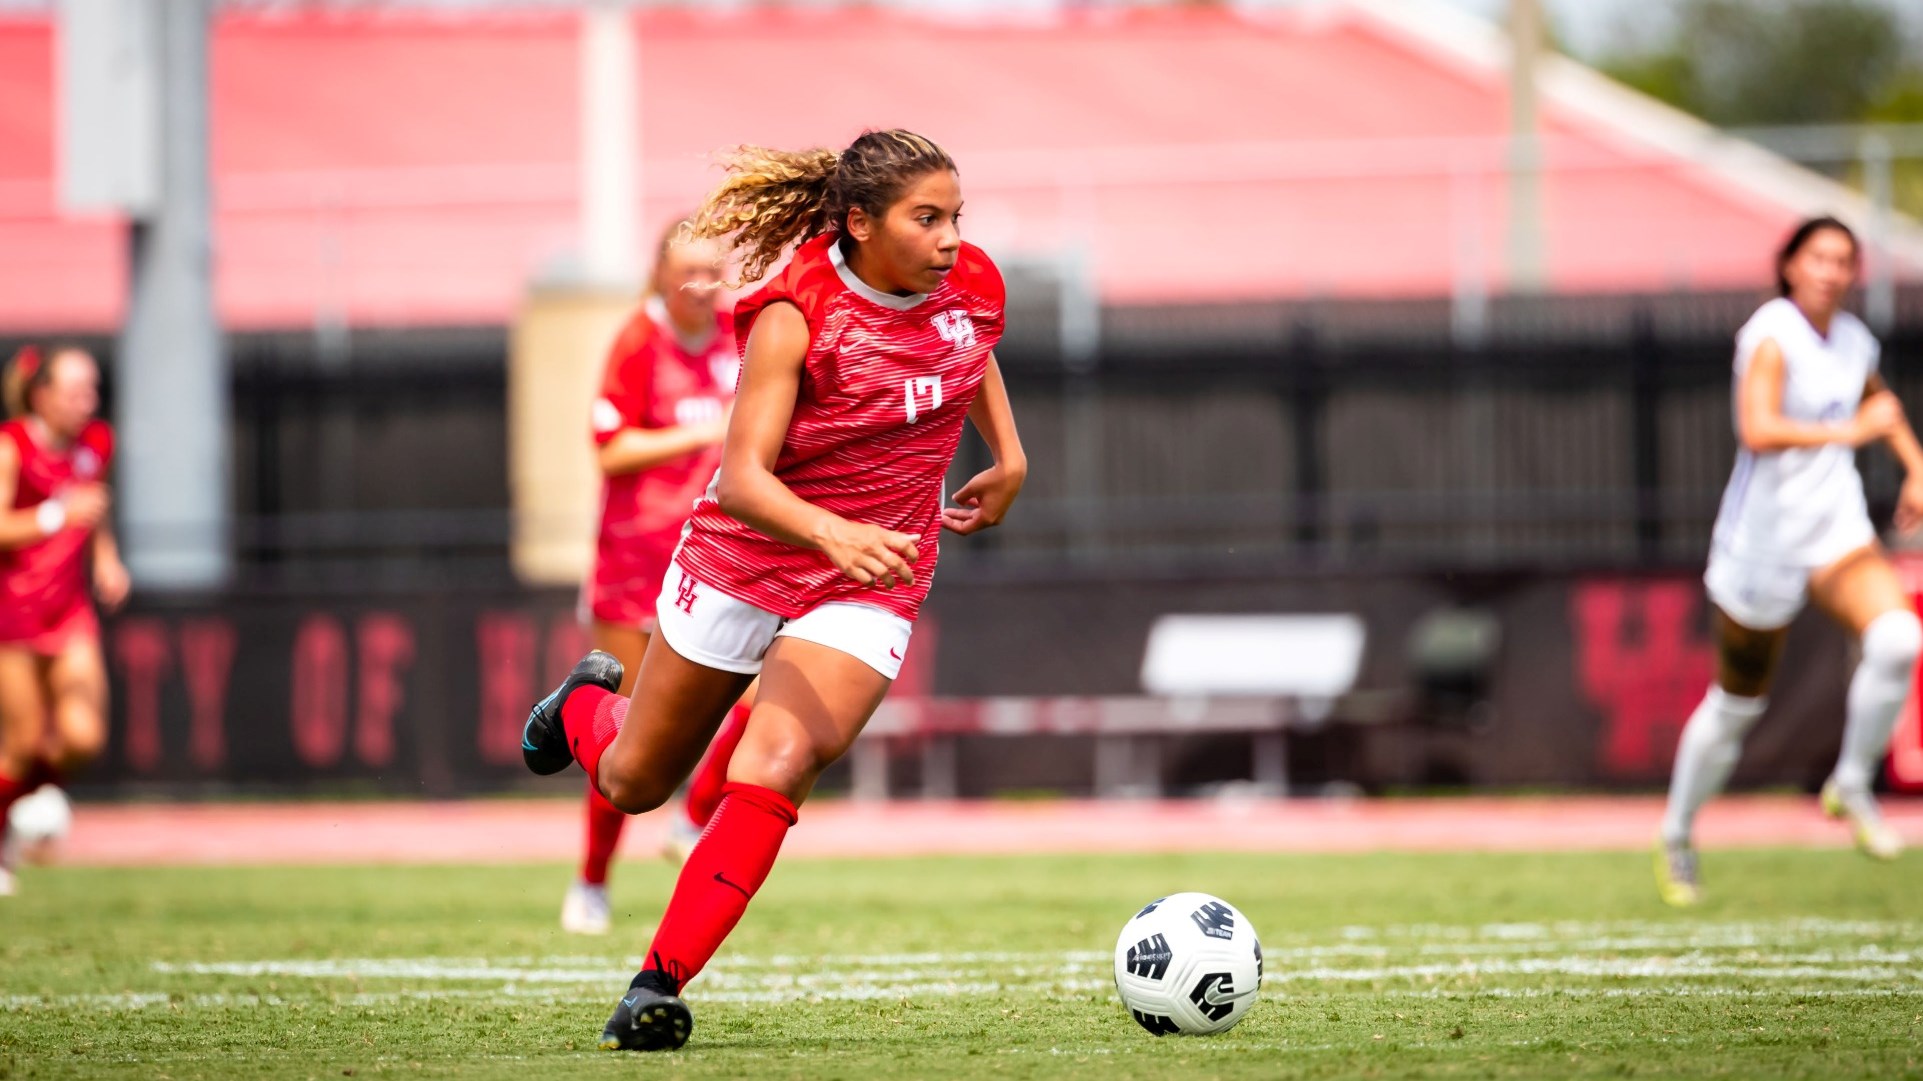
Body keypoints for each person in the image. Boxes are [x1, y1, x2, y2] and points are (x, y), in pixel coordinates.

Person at [520, 128, 1025, 1050]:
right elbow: (745, 476)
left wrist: (1010, 454)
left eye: (957, 216)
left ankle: (654, 985)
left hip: (871, 577)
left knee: (779, 760)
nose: (952, 238)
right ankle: (584, 709)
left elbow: (970, 345)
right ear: (860, 223)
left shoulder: (973, 279)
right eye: (928, 219)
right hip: (746, 554)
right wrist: (834, 530)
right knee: (635, 781)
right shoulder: (799, 309)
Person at [1655, 216, 1922, 907]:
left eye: (1843, 260)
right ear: (1790, 265)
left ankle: (1851, 783)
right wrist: (1848, 431)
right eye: (1819, 258)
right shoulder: (1770, 333)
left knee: (1897, 639)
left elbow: (1881, 408)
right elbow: (1758, 428)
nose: (1832, 271)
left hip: (1835, 532)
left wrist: (1914, 467)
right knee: (1737, 706)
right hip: (1761, 542)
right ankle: (1678, 836)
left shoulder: (1853, 340)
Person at [562, 222, 752, 936]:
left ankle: (693, 814)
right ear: (660, 275)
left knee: (764, 692)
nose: (702, 286)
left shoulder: (740, 333)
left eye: (713, 271)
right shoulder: (638, 341)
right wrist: (706, 432)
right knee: (629, 725)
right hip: (633, 563)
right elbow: (610, 449)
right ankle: (592, 880)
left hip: (714, 559)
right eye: (688, 272)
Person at [0, 345, 128, 896]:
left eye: (93, 390)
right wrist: (56, 515)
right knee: (22, 743)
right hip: (13, 615)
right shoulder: (11, 447)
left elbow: (93, 506)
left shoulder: (95, 444)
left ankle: (25, 804)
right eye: (75, 392)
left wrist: (105, 557)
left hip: (69, 610)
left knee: (83, 737)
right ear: (41, 394)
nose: (87, 403)